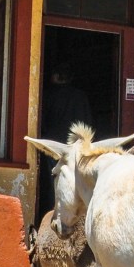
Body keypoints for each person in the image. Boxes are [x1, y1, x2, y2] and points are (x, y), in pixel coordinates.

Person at [37, 61, 93, 222]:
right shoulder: (81, 96)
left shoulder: (47, 96)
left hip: (52, 149)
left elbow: (41, 124)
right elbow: (88, 125)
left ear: (55, 76)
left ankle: (50, 216)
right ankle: (77, 219)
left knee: (52, 184)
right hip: (76, 150)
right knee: (76, 184)